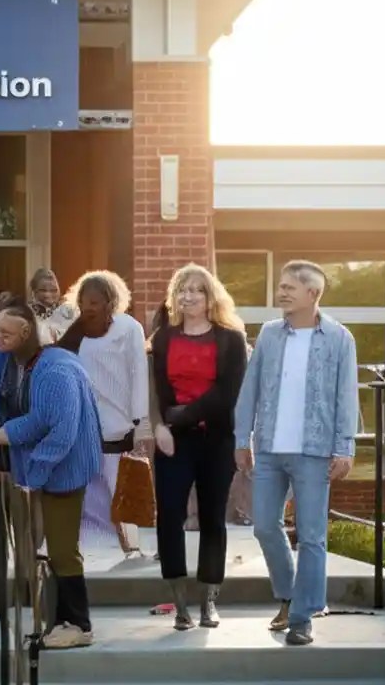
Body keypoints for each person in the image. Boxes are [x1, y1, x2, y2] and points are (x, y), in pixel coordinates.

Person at [235, 260, 358, 646]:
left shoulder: (339, 338)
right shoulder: (270, 335)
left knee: (311, 536)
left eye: (289, 287)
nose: (281, 292)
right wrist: (242, 439)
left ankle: (303, 617)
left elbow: (345, 396)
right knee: (263, 526)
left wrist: (345, 446)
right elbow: (249, 389)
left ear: (312, 294)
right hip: (270, 448)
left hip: (315, 451)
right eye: (281, 286)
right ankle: (289, 595)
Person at [0, 302, 102, 649]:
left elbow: (59, 431)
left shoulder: (53, 371)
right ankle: (59, 622)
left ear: (26, 334)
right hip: (54, 470)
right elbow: (42, 417)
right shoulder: (36, 363)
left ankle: (78, 625)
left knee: (64, 550)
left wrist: (28, 466)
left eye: (4, 334)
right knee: (57, 550)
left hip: (62, 472)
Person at [149, 264, 248, 630]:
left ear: (211, 296)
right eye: (182, 289)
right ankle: (180, 604)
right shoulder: (163, 338)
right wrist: (161, 424)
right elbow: (159, 389)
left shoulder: (230, 339)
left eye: (197, 290)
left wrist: (180, 415)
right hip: (173, 440)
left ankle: (209, 600)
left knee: (211, 519)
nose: (189, 296)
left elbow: (226, 395)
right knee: (169, 517)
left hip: (216, 440)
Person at [56, 271, 149, 557]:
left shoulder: (129, 328)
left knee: (120, 487)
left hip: (119, 423)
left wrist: (140, 420)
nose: (90, 307)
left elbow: (138, 373)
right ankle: (84, 547)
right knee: (86, 491)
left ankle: (131, 547)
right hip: (84, 421)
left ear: (111, 300)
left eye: (96, 301)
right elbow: (57, 361)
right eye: (85, 302)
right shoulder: (78, 329)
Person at [29, 268, 76, 341]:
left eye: (54, 290)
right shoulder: (26, 312)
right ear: (34, 291)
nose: (48, 295)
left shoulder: (69, 311)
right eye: (43, 290)